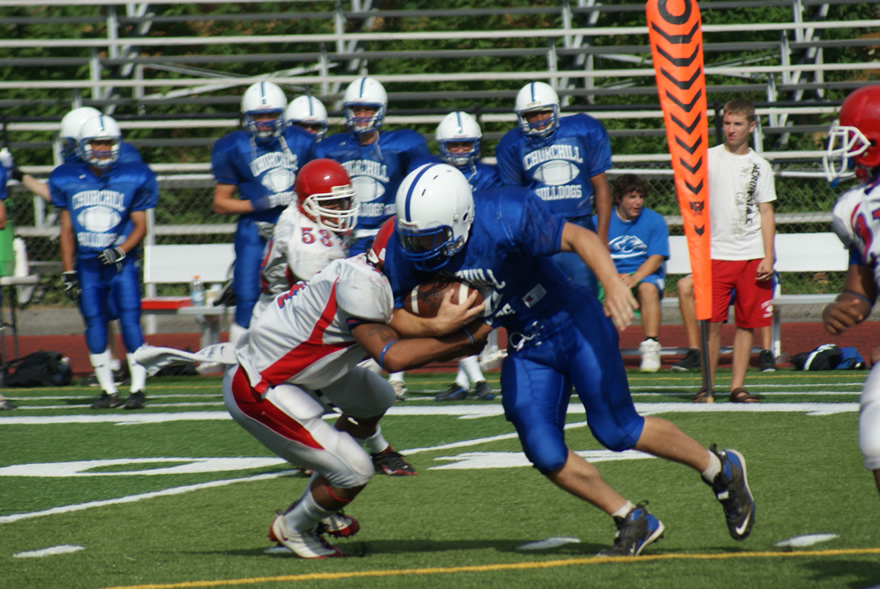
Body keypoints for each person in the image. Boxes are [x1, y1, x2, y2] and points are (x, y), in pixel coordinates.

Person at [385, 163, 755, 557]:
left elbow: (579, 237)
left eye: (430, 239)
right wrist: (435, 324)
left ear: (461, 218)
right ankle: (631, 518)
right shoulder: (405, 244)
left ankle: (720, 467)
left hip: (568, 318)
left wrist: (612, 282)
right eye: (413, 239)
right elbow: (392, 312)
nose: (419, 250)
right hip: (524, 339)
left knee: (615, 430)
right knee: (542, 450)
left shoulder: (504, 214)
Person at [134, 220, 485, 558]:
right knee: (356, 470)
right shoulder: (363, 284)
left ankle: (320, 501)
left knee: (377, 397)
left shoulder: (371, 274)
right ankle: (293, 527)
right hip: (260, 385)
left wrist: (450, 334)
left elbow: (402, 323)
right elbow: (392, 356)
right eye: (418, 246)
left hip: (299, 372)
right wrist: (463, 338)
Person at [314, 76, 431, 400]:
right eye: (356, 108)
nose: (362, 115)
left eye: (368, 108)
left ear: (381, 110)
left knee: (389, 302)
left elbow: (421, 184)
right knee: (338, 304)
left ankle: (395, 374)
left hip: (387, 234)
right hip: (344, 235)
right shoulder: (330, 147)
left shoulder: (404, 143)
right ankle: (331, 372)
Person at [48, 114, 156, 409]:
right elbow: (66, 231)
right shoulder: (66, 177)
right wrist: (68, 271)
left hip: (120, 265)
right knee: (94, 322)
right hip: (88, 265)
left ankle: (137, 389)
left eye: (108, 142)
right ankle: (108, 391)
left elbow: (140, 226)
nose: (102, 148)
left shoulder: (133, 175)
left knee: (130, 321)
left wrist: (121, 250)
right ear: (83, 146)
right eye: (96, 142)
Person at [212, 81, 316, 344]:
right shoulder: (234, 146)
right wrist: (259, 204)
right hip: (254, 230)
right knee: (246, 295)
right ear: (247, 117)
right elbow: (220, 202)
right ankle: (237, 365)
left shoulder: (302, 141)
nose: (266, 122)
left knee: (303, 292)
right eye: (259, 116)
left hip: (295, 227)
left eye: (271, 115)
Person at [691, 98, 776, 404]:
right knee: (711, 323)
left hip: (751, 254)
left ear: (751, 126)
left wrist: (768, 255)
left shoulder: (760, 166)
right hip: (714, 253)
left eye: (737, 124)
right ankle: (708, 386)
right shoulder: (706, 158)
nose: (730, 129)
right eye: (727, 123)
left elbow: (766, 211)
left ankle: (736, 386)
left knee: (747, 323)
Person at [495, 81, 612, 296]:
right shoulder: (512, 145)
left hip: (580, 226)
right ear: (521, 117)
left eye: (544, 112)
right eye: (532, 115)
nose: (539, 120)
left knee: (585, 302)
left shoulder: (583, 131)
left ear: (556, 109)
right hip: (539, 233)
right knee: (543, 306)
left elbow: (601, 188)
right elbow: (514, 201)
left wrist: (602, 239)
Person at [820, 84, 880, 494]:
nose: (845, 148)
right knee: (875, 434)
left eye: (853, 138)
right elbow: (861, 285)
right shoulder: (856, 206)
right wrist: (847, 304)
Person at [432, 111, 499, 401]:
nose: (460, 151)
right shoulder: (433, 174)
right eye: (454, 145)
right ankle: (474, 380)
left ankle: (467, 381)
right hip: (449, 251)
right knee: (462, 314)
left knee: (475, 315)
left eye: (465, 144)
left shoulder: (488, 176)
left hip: (480, 250)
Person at [599, 174, 669, 373]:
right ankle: (603, 350)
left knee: (648, 289)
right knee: (588, 293)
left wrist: (634, 278)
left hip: (643, 275)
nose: (637, 202)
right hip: (610, 274)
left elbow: (656, 258)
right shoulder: (601, 220)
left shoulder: (655, 220)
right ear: (619, 198)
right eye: (632, 197)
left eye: (640, 196)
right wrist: (612, 278)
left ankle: (650, 347)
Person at [670, 275, 777, 372]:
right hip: (719, 272)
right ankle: (695, 352)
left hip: (748, 269)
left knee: (761, 278)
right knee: (684, 285)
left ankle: (766, 352)